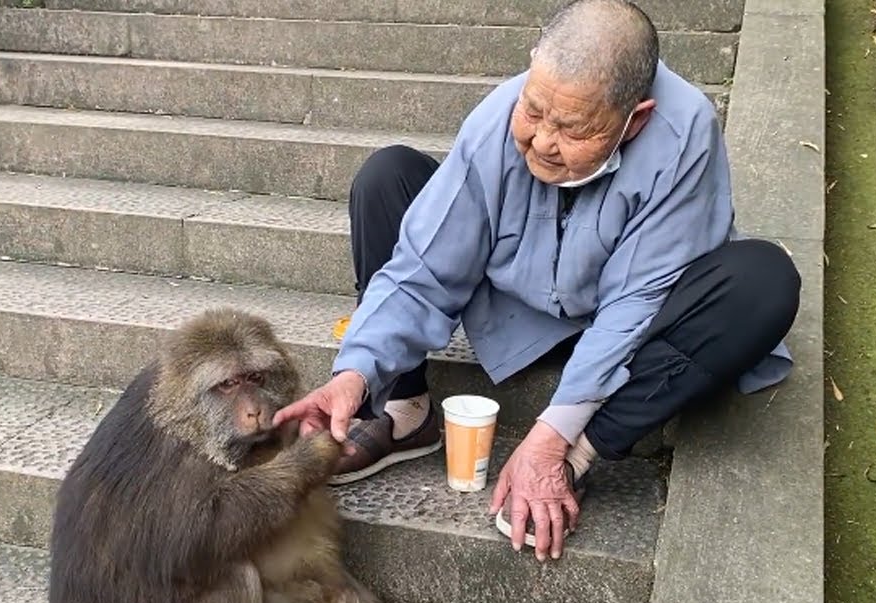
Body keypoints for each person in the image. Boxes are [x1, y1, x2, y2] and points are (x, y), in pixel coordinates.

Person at [273, 0, 801, 563]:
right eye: (535, 112)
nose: (543, 142)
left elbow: (637, 302)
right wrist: (355, 371)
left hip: (636, 330)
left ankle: (578, 452)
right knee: (389, 175)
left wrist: (550, 438)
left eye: (573, 129)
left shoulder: (683, 131)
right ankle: (404, 412)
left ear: (636, 119)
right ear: (532, 69)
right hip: (515, 308)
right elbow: (423, 264)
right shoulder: (500, 116)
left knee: (763, 280)